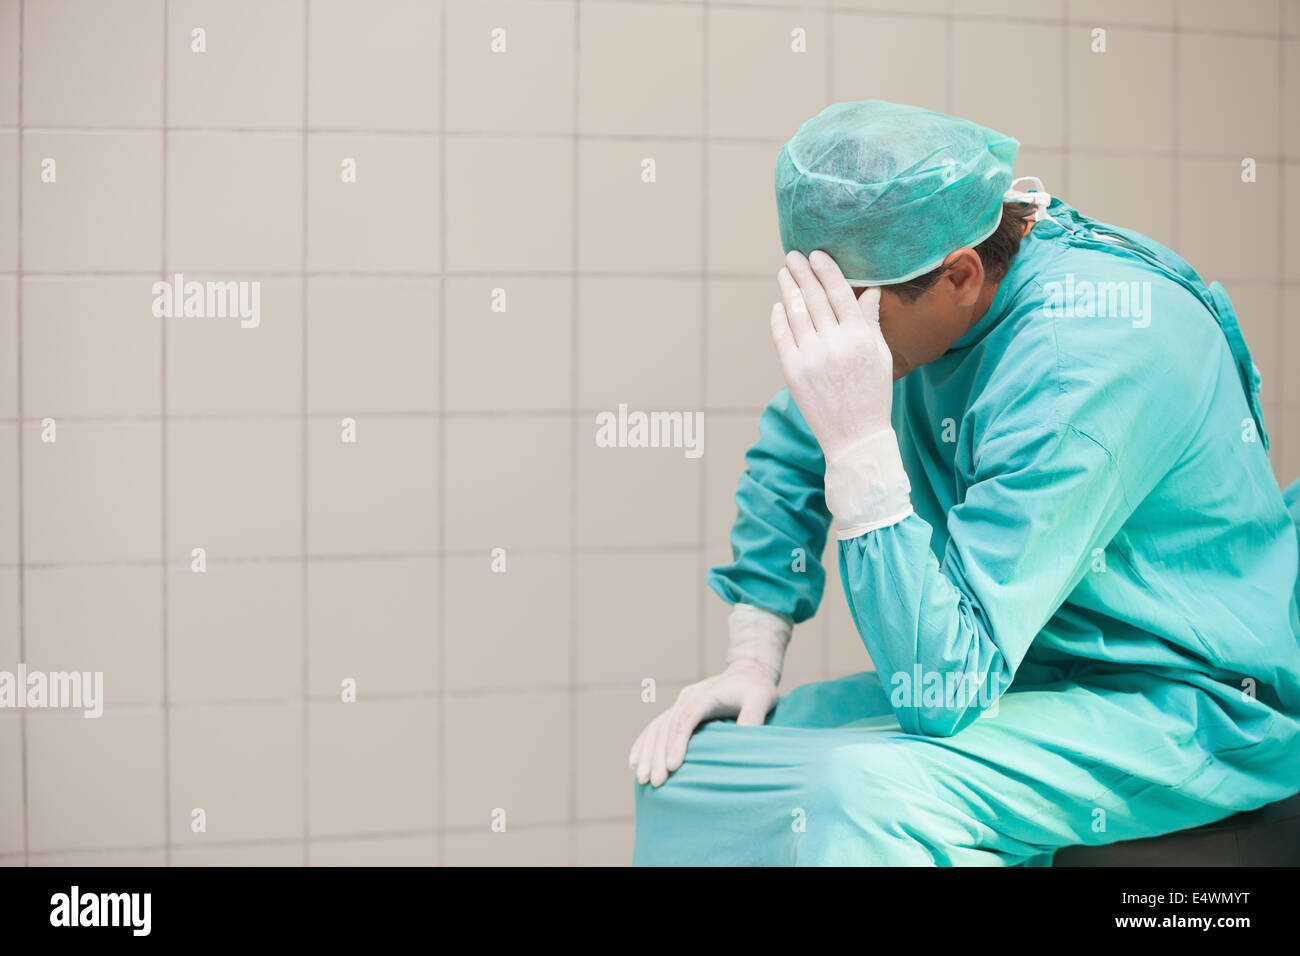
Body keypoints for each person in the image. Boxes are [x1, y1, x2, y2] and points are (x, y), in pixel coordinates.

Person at [628, 100, 1300, 865]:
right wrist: (753, 656)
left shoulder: (1079, 358)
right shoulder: (907, 296)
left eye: (853, 323)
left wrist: (860, 452)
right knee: (703, 767)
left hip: (1188, 703)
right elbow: (794, 441)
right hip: (1029, 671)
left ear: (960, 274)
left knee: (860, 799)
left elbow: (943, 691)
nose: (839, 347)